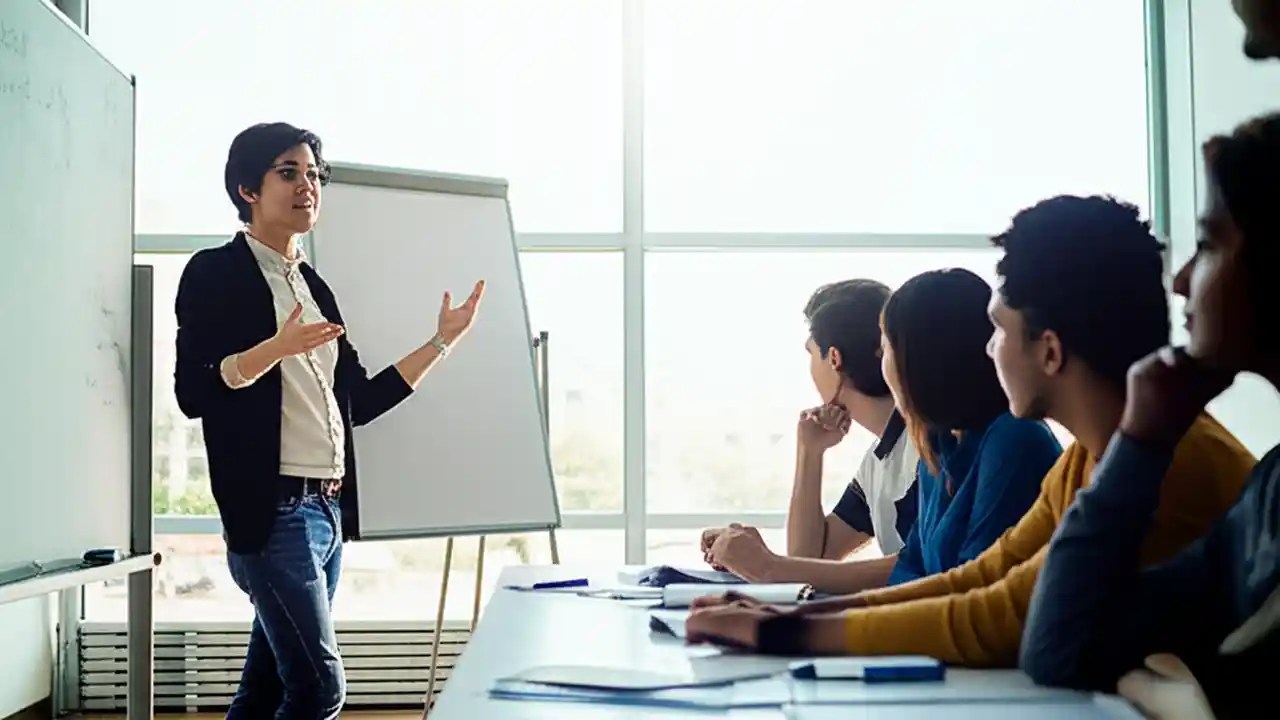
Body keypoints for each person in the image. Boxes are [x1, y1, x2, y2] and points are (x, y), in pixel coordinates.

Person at [683, 196, 1257, 661]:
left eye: (998, 331)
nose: (987, 351)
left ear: (1050, 352)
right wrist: (791, 618)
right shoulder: (1085, 459)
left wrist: (787, 630)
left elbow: (1007, 616)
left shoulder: (1162, 460)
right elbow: (984, 578)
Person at [173, 122, 485, 719]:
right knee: (320, 689)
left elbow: (359, 402)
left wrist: (440, 343)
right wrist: (276, 348)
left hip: (328, 513)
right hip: (272, 516)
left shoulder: (314, 287)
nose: (307, 185)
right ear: (247, 189)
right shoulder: (215, 272)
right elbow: (195, 391)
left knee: (265, 692)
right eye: (287, 172)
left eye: (314, 174)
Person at [1019, 113, 1280, 719]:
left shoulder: (1202, 465)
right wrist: (1141, 438)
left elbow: (1228, 696)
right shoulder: (1271, 489)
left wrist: (1161, 691)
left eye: (1211, 244)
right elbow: (1062, 647)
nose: (1184, 282)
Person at [698, 280, 920, 593]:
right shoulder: (880, 456)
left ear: (834, 358)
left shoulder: (928, 444)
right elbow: (809, 558)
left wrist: (766, 566)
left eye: (811, 353)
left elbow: (922, 567)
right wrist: (809, 453)